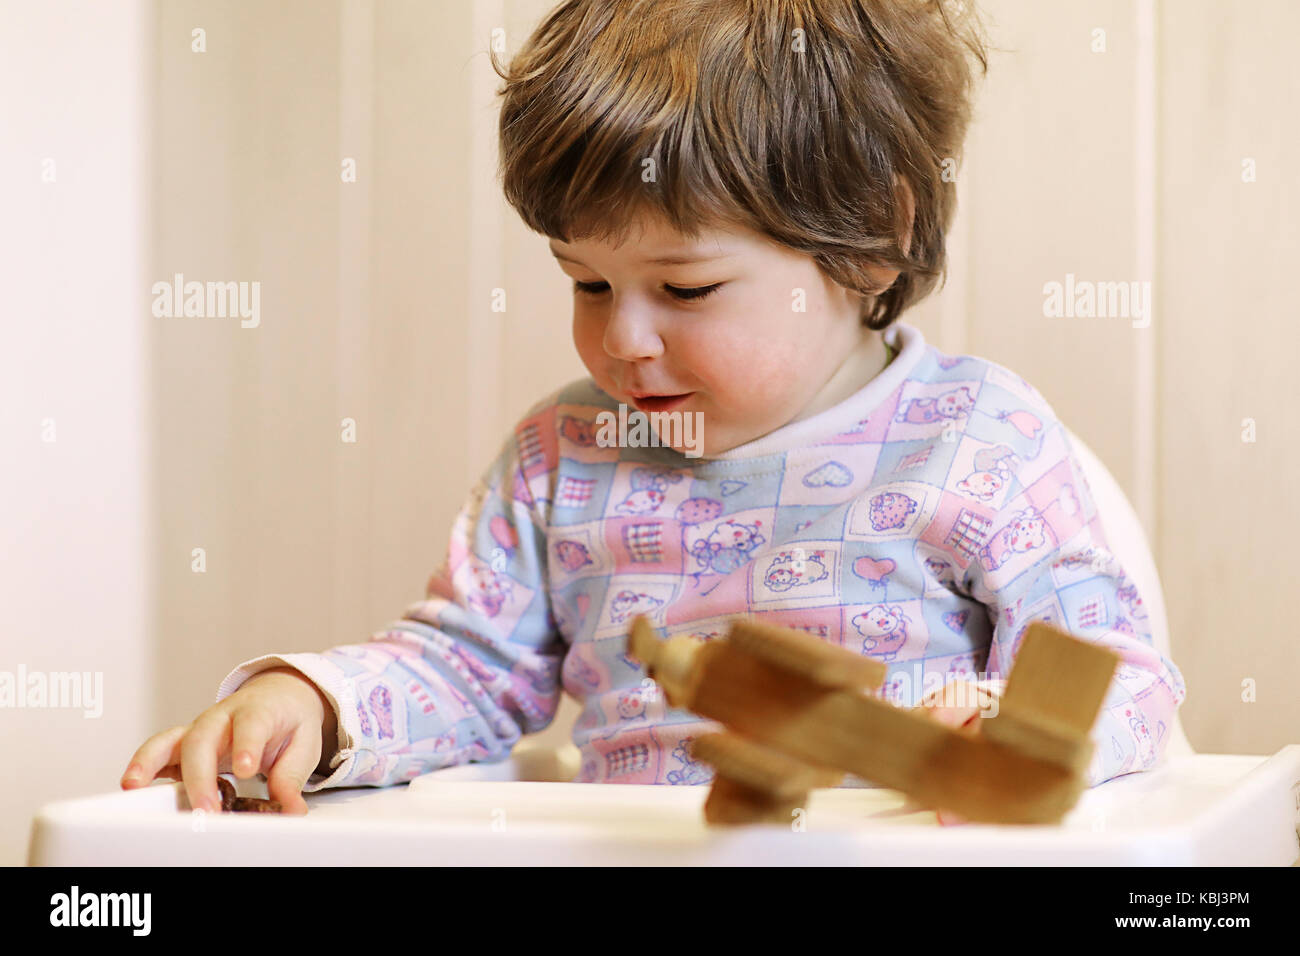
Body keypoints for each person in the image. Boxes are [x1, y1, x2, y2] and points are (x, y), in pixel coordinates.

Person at [122, 0, 1185, 823]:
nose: (621, 339)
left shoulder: (976, 438)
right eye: (586, 282)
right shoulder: (563, 457)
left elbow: (1117, 671)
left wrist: (1001, 729)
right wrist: (316, 702)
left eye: (683, 289)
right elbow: (469, 668)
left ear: (867, 238)